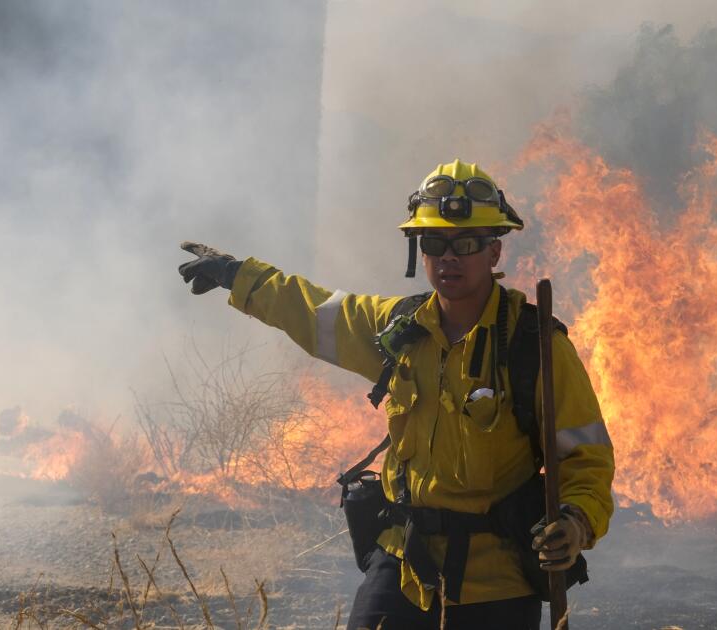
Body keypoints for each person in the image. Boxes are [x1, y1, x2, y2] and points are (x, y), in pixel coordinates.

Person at [178, 160, 615, 630]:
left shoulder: (536, 347)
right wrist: (237, 274)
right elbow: (312, 311)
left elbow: (586, 459)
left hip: (498, 578)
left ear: (494, 251)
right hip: (405, 564)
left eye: (466, 243)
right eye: (434, 243)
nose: (449, 257)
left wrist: (574, 522)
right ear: (419, 251)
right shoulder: (398, 329)